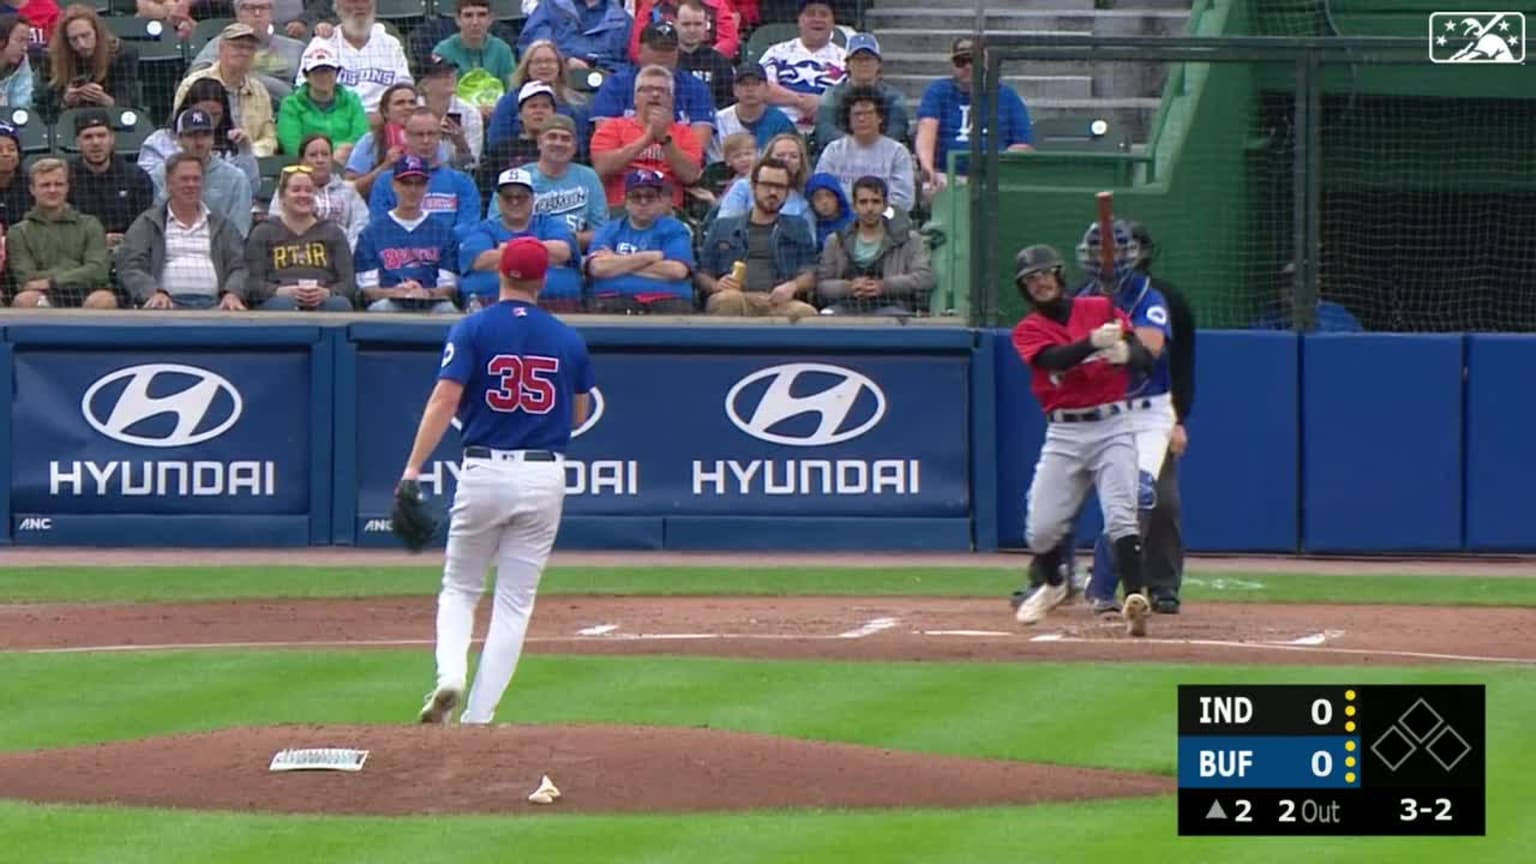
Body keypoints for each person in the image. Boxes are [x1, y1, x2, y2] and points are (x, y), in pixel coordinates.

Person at [407, 235, 596, 726]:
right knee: (514, 603)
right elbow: (578, 413)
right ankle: (480, 716)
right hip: (542, 472)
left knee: (460, 587)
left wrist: (412, 469)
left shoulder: (473, 327)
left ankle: (450, 673)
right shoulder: (567, 337)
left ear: (501, 274)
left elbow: (444, 400)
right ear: (542, 280)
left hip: (484, 467)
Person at [1008, 243, 1153, 636]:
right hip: (1064, 432)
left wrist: (1125, 350)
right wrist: (1093, 343)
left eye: (1044, 274)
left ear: (1058, 274)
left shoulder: (1097, 310)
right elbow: (1054, 360)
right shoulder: (1028, 330)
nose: (1039, 283)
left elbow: (1146, 358)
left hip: (1113, 425)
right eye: (1030, 280)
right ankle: (1056, 584)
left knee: (1122, 513)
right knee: (1040, 529)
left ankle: (1136, 599)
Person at [120, 152, 249, 310]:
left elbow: (239, 266)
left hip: (216, 306)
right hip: (164, 306)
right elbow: (130, 265)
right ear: (169, 184)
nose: (191, 185)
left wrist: (232, 293)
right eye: (184, 179)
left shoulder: (222, 225)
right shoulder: (147, 223)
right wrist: (152, 293)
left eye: (196, 179)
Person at [696, 156, 818, 318]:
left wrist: (792, 286)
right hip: (737, 297)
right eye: (767, 185)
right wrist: (715, 285)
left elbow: (810, 273)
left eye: (780, 187)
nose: (773, 192)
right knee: (727, 300)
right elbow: (701, 273)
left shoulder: (797, 226)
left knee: (805, 313)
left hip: (778, 302)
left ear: (787, 192)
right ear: (753, 186)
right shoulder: (723, 226)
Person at [916, 37, 1032, 193]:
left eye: (973, 60)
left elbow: (1023, 145)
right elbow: (927, 128)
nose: (968, 66)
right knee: (933, 188)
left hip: (993, 178)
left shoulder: (1006, 95)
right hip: (946, 175)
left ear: (985, 63)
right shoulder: (938, 91)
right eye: (961, 61)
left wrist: (996, 166)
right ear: (952, 65)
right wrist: (927, 167)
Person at [458, 166, 581, 310]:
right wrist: (538, 254)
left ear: (533, 199)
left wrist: (507, 250)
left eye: (521, 197)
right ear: (498, 200)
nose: (514, 202)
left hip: (555, 307)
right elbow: (480, 260)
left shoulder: (548, 224)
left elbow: (562, 252)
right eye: (508, 197)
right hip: (492, 307)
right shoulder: (483, 229)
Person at [355, 154, 461, 313]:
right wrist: (397, 293)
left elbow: (449, 287)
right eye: (405, 183)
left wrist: (426, 293)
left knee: (447, 310)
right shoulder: (372, 233)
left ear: (427, 186)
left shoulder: (443, 232)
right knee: (382, 309)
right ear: (394, 184)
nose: (412, 190)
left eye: (419, 184)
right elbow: (368, 290)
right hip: (388, 302)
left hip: (431, 303)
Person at [589, 64, 703, 211]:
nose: (655, 95)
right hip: (619, 210)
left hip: (667, 212)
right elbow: (602, 168)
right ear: (635, 98)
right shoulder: (613, 128)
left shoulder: (685, 134)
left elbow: (691, 175)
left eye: (662, 91)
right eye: (647, 90)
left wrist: (665, 140)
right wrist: (647, 139)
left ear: (671, 99)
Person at [245, 164, 357, 311]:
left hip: (323, 300)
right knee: (284, 305)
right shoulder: (263, 232)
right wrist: (280, 292)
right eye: (296, 190)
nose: (303, 195)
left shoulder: (332, 232)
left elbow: (348, 283)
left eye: (309, 190)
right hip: (280, 302)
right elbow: (252, 283)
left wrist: (328, 293)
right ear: (282, 196)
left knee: (339, 304)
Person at [815, 175, 931, 316]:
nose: (869, 208)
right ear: (854, 206)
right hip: (845, 306)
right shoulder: (835, 240)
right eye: (863, 202)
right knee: (825, 317)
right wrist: (849, 287)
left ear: (885, 205)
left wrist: (884, 286)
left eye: (875, 202)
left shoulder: (910, 239)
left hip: (892, 306)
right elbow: (821, 285)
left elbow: (924, 277)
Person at [590, 21, 714, 153]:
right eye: (656, 49)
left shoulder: (696, 88)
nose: (662, 55)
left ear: (678, 52)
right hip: (626, 167)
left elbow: (698, 147)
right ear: (640, 50)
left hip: (676, 168)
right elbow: (605, 143)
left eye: (669, 50)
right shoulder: (616, 84)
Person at [6, 157, 113, 308]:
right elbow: (26, 278)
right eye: (45, 185)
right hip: (44, 295)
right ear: (32, 189)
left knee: (104, 299)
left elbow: (98, 271)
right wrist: (76, 270)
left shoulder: (91, 224)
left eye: (59, 184)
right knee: (25, 300)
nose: (52, 190)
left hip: (88, 292)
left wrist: (52, 281)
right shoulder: (18, 232)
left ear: (67, 187)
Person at [585, 168, 694, 314]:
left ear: (659, 201)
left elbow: (677, 271)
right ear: (626, 201)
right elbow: (598, 268)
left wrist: (617, 261)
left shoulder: (675, 229)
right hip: (611, 302)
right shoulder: (609, 230)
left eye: (650, 196)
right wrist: (648, 257)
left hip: (667, 302)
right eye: (636, 196)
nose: (643, 202)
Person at [365, 107, 480, 233]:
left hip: (449, 249)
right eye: (419, 135)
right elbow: (380, 225)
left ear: (439, 136)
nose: (426, 140)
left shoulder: (462, 181)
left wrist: (438, 243)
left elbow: (468, 225)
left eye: (431, 134)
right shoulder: (386, 181)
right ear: (405, 136)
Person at [140, 78, 262, 195]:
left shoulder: (232, 144)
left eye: (215, 115)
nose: (207, 119)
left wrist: (245, 151)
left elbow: (250, 189)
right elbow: (148, 187)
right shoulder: (158, 141)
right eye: (202, 112)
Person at [176, 23, 279, 157]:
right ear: (221, 48)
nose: (245, 52)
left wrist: (247, 150)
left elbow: (269, 138)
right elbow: (178, 131)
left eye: (250, 48)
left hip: (251, 161)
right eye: (238, 46)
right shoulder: (193, 84)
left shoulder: (259, 91)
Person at [150, 108, 254, 238]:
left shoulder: (235, 178)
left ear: (213, 138)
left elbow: (239, 230)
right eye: (191, 135)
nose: (199, 142)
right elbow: (156, 224)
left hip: (220, 251)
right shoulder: (161, 174)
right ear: (179, 139)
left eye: (205, 134)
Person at [296, 0, 413, 114]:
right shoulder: (322, 44)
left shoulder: (390, 44)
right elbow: (302, 92)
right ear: (337, 6)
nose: (360, 6)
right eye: (353, 1)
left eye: (365, 1)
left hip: (384, 122)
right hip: (335, 121)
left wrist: (382, 117)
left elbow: (405, 89)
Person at [813, 85, 914, 213]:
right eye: (857, 114)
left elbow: (903, 201)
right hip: (842, 220)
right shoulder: (833, 151)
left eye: (868, 113)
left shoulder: (897, 152)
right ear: (848, 119)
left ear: (880, 117)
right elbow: (821, 191)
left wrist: (875, 217)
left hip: (886, 221)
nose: (862, 119)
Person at [345, 84, 454, 200]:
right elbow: (350, 189)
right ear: (386, 112)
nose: (408, 107)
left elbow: (446, 181)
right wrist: (385, 166)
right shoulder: (371, 141)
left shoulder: (431, 138)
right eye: (400, 103)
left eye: (412, 102)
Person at [66, 108, 154, 250]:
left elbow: (145, 224)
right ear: (77, 142)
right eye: (88, 137)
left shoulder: (136, 177)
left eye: (101, 135)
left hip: (129, 250)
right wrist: (99, 240)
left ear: (112, 138)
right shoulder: (66, 178)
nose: (96, 142)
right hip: (80, 251)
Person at [485, 40, 591, 156]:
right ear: (527, 67)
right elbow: (496, 143)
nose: (544, 66)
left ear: (559, 66)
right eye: (537, 62)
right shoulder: (508, 102)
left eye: (550, 61)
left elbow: (582, 146)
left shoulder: (577, 104)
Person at [190, 0, 307, 103]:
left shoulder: (295, 48)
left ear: (271, 13)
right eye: (249, 8)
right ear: (238, 14)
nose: (257, 13)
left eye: (263, 8)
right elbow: (196, 76)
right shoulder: (223, 44)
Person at [267, 133, 369, 250]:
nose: (320, 160)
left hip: (342, 252)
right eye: (313, 155)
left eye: (325, 155)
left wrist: (346, 251)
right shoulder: (289, 190)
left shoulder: (348, 190)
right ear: (302, 161)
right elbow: (276, 222)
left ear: (331, 159)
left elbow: (361, 224)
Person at [759, 0, 845, 132]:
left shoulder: (845, 58)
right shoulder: (778, 52)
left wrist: (823, 105)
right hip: (780, 128)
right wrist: (799, 100)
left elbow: (853, 95)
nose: (817, 19)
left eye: (824, 14)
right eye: (810, 14)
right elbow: (762, 88)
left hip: (830, 128)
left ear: (833, 23)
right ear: (799, 21)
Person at [277, 43, 369, 164]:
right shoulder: (290, 105)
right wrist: (330, 155)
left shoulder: (352, 100)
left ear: (338, 72)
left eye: (328, 71)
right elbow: (292, 146)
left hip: (349, 164)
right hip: (306, 168)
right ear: (306, 75)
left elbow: (361, 137)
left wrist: (340, 153)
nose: (324, 76)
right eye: (317, 72)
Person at [814, 33, 908, 149]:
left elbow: (897, 131)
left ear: (879, 64)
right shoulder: (832, 95)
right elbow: (825, 129)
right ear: (847, 65)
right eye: (858, 59)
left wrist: (871, 147)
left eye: (868, 59)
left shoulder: (894, 96)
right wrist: (855, 146)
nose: (864, 64)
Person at [42, 5, 136, 121]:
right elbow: (44, 105)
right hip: (69, 120)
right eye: (74, 39)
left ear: (97, 32)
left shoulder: (122, 54)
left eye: (85, 35)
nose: (81, 44)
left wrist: (103, 99)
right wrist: (66, 100)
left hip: (111, 119)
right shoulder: (52, 58)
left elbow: (129, 104)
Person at [715, 132, 812, 233]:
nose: (786, 160)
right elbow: (724, 227)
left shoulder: (802, 205)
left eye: (793, 156)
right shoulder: (743, 187)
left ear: (801, 163)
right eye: (780, 155)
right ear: (767, 158)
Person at [517, 0, 633, 76]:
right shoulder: (549, 9)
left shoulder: (623, 21)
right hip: (556, 83)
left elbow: (628, 65)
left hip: (606, 86)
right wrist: (565, 61)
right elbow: (533, 48)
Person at [709, 62, 795, 162]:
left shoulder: (780, 121)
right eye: (744, 84)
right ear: (735, 89)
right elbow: (717, 161)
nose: (750, 89)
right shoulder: (720, 120)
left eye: (756, 83)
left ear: (767, 89)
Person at [431, 0, 517, 89]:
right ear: (457, 19)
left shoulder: (502, 50)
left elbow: (511, 90)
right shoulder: (443, 51)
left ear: (490, 19)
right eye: (468, 15)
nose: (475, 22)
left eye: (482, 15)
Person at [419, 57, 483, 170]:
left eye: (451, 72)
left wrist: (461, 144)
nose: (449, 77)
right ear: (425, 85)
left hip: (453, 178)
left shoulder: (470, 113)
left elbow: (471, 165)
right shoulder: (411, 109)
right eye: (440, 75)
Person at [629, 0, 739, 64]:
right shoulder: (652, 6)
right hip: (662, 66)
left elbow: (729, 41)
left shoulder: (716, 5)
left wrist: (705, 58)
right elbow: (637, 48)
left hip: (708, 66)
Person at [672, 0, 735, 109]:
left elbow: (727, 104)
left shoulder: (720, 63)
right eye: (686, 24)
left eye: (698, 24)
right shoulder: (665, 59)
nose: (692, 30)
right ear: (675, 24)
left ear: (706, 25)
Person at [804, 170, 848, 251]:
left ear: (838, 197)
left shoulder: (853, 223)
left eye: (829, 195)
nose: (824, 202)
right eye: (818, 198)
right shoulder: (810, 227)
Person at [0, 15, 32, 109]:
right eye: (20, 40)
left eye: (27, 42)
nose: (25, 48)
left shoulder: (23, 62)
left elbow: (22, 103)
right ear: (1, 40)